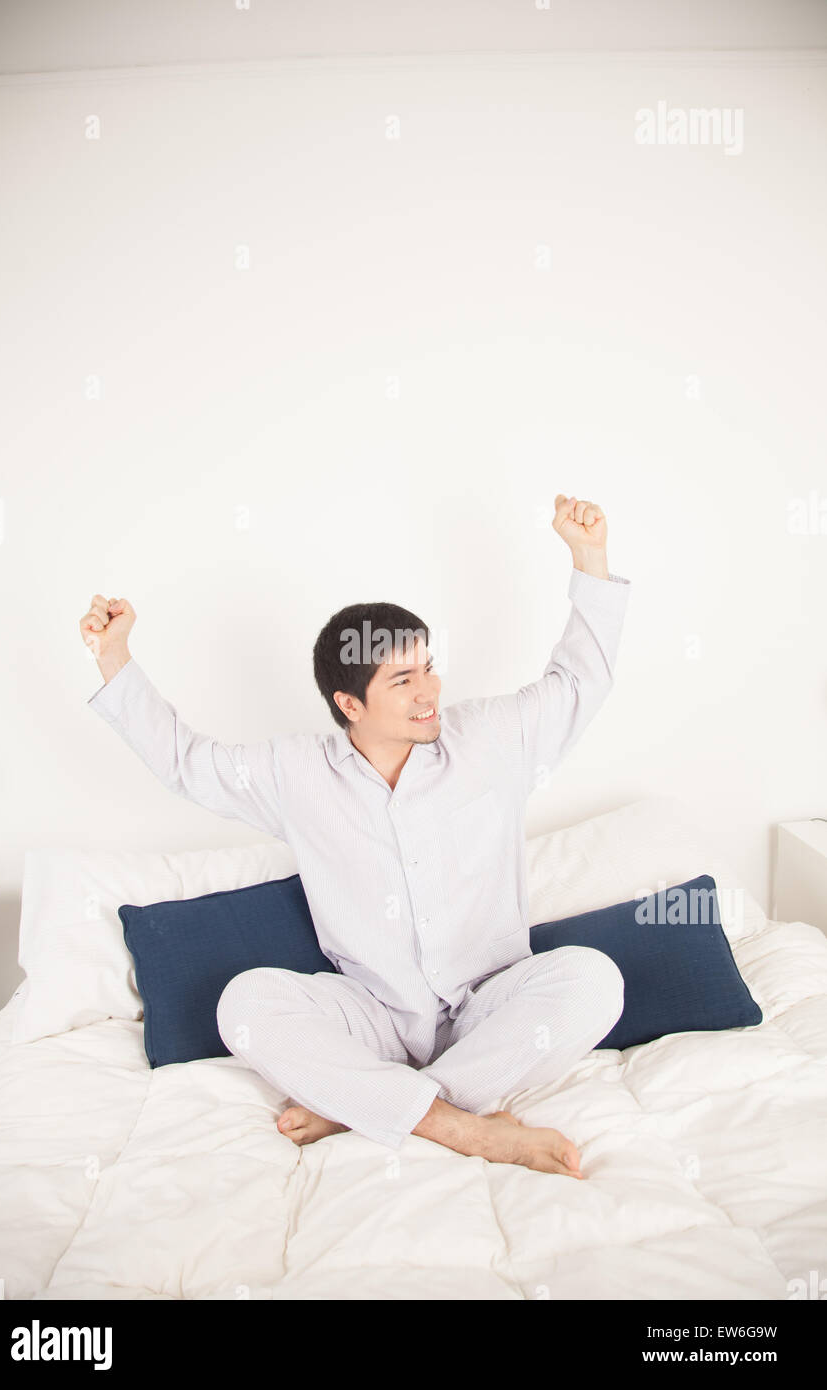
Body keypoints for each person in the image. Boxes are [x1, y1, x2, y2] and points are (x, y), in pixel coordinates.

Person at [80, 494, 630, 1178]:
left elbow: (579, 683)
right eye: (403, 679)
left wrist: (590, 558)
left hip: (489, 1003)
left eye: (428, 666)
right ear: (350, 704)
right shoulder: (295, 774)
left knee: (595, 980)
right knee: (245, 1005)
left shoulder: (492, 739)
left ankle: (368, 1106)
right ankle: (466, 1128)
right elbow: (188, 764)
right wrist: (115, 657)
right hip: (373, 1015)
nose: (430, 689)